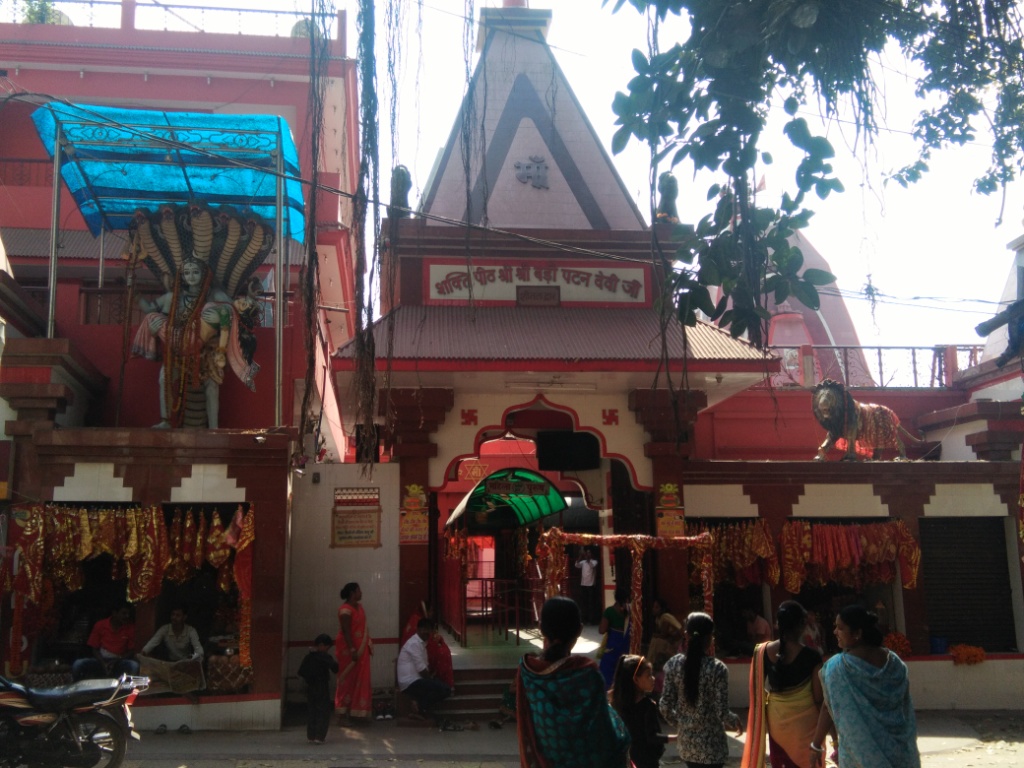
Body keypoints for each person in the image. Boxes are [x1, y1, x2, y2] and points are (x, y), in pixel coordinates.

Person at [517, 596, 631, 768]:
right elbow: (606, 735)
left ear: (541, 628)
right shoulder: (587, 673)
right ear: (579, 630)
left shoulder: (528, 671)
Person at [809, 605, 920, 768]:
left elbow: (827, 707)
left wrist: (816, 745)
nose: (834, 632)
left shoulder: (838, 668)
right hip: (900, 754)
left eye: (840, 628)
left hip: (861, 756)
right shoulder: (895, 662)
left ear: (857, 634)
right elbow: (904, 708)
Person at [741, 600, 823, 768]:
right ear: (802, 624)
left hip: (777, 724)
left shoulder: (762, 652)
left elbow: (758, 695)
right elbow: (818, 699)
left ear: (778, 624)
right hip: (806, 729)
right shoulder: (812, 656)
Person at [660, 612, 743, 768]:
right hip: (713, 749)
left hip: (687, 748)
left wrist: (682, 723)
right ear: (711, 638)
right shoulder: (717, 668)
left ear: (686, 635)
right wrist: (734, 720)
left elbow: (665, 705)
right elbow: (722, 712)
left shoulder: (673, 664)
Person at [611, 654, 673, 768]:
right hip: (647, 760)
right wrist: (677, 738)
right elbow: (653, 737)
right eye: (648, 675)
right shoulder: (647, 706)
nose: (653, 678)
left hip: (628, 757)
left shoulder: (616, 702)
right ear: (636, 679)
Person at [139, 605, 205, 696]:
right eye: (173, 615)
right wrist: (143, 653)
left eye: (178, 615)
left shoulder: (190, 630)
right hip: (169, 665)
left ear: (184, 617)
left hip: (185, 665)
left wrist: (193, 658)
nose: (174, 617)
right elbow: (151, 644)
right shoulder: (165, 629)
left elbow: (199, 650)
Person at [397, 618, 452, 720]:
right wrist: (432, 681)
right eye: (425, 629)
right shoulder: (414, 643)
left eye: (429, 630)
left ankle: (418, 704)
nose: (428, 633)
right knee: (445, 689)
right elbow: (422, 669)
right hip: (410, 683)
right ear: (418, 630)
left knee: (440, 686)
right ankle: (420, 708)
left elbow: (424, 666)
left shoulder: (422, 643)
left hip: (416, 680)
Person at [334, 582, 373, 721]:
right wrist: (352, 649)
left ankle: (357, 712)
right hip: (348, 651)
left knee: (360, 680)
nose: (361, 593)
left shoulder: (360, 607)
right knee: (347, 680)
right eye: (358, 591)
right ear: (352, 593)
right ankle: (342, 714)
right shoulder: (345, 610)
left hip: (361, 651)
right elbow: (346, 631)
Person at [72, 605, 140, 680]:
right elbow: (94, 648)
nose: (127, 616)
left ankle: (129, 689)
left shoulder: (130, 628)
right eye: (124, 613)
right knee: (78, 664)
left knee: (134, 666)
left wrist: (117, 661)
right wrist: (103, 663)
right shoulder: (100, 625)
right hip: (101, 660)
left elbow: (131, 650)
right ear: (115, 613)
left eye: (128, 614)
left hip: (119, 661)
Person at [298, 633, 339, 744]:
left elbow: (301, 672)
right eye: (327, 647)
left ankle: (311, 736)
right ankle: (319, 737)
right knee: (323, 711)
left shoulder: (308, 657)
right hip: (321, 686)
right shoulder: (324, 657)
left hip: (310, 687)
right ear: (322, 645)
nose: (327, 649)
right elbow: (335, 668)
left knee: (312, 711)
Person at [599, 586, 631, 687]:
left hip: (613, 646)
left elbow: (601, 630)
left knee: (607, 673)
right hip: (626, 645)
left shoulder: (609, 611)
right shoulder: (631, 612)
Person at [647, 597, 683, 675]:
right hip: (669, 640)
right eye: (653, 607)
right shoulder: (657, 619)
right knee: (655, 641)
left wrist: (655, 635)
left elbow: (664, 635)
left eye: (656, 607)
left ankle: (650, 663)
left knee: (656, 641)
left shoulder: (665, 617)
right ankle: (650, 662)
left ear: (662, 609)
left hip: (676, 642)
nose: (654, 609)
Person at [575, 547, 599, 624]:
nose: (588, 554)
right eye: (587, 553)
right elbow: (576, 565)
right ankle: (584, 619)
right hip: (583, 584)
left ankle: (591, 620)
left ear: (591, 554)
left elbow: (592, 565)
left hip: (591, 585)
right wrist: (580, 556)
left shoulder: (594, 561)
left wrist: (587, 558)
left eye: (589, 553)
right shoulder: (583, 562)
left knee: (591, 603)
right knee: (584, 603)